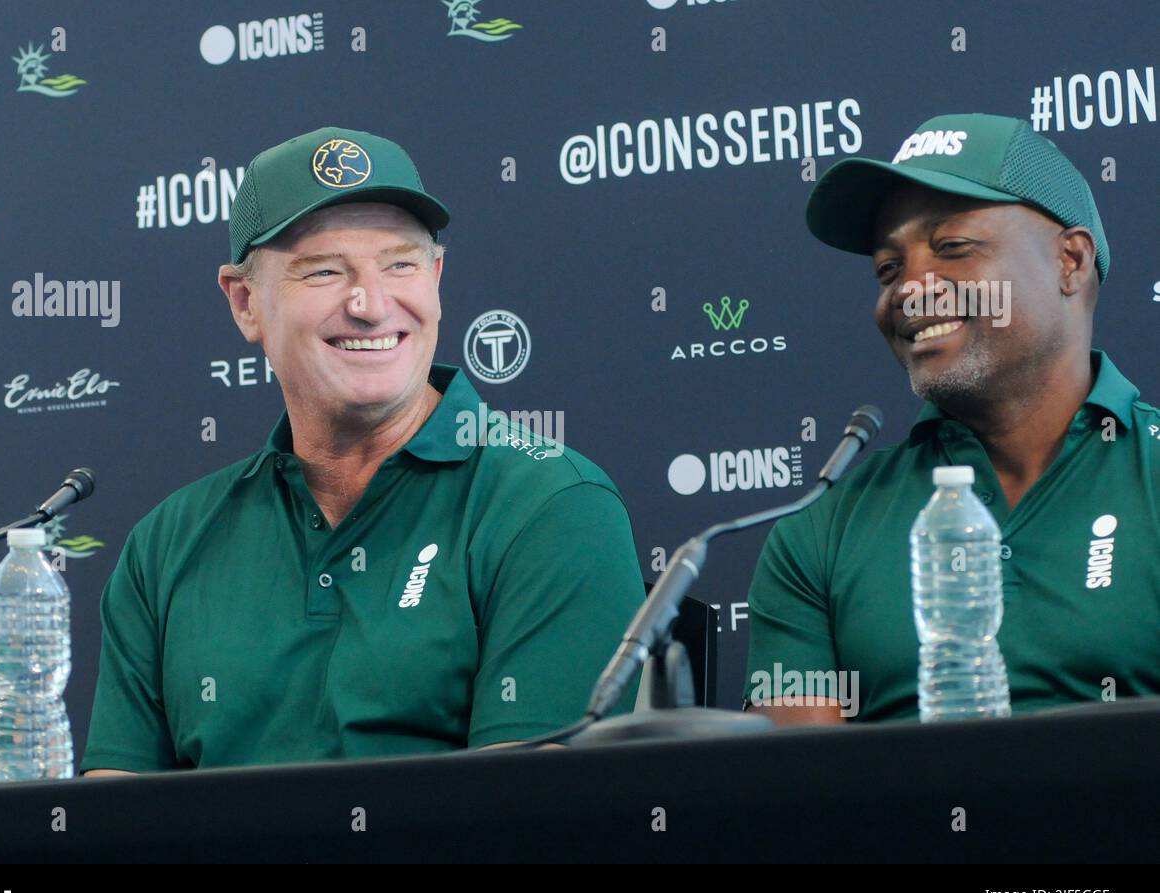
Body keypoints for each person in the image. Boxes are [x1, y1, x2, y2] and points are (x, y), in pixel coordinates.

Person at [81, 127, 644, 773]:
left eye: (400, 264)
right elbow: (112, 816)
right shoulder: (166, 543)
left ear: (435, 277)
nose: (371, 305)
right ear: (244, 303)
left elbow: (528, 819)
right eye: (323, 270)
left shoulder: (552, 505)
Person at [744, 113, 1160, 725]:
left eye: (952, 248)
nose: (910, 289)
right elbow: (803, 800)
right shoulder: (818, 530)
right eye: (889, 269)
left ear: (1070, 261)